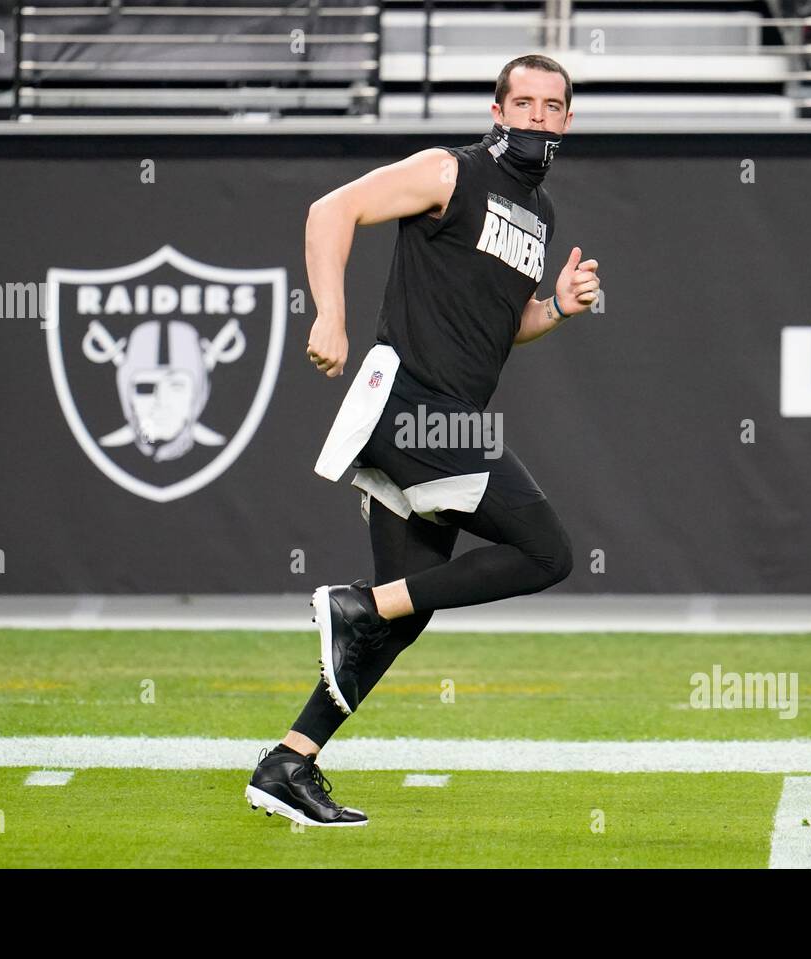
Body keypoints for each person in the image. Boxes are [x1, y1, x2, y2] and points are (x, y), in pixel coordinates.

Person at [245, 53, 602, 827]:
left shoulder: (540, 217)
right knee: (548, 552)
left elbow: (506, 330)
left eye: (553, 106)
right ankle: (355, 604)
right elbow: (328, 212)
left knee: (403, 616)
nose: (538, 117)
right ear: (498, 109)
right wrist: (329, 313)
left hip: (443, 418)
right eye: (525, 103)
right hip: (415, 408)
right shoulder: (450, 170)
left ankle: (289, 760)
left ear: (567, 120)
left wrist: (557, 309)